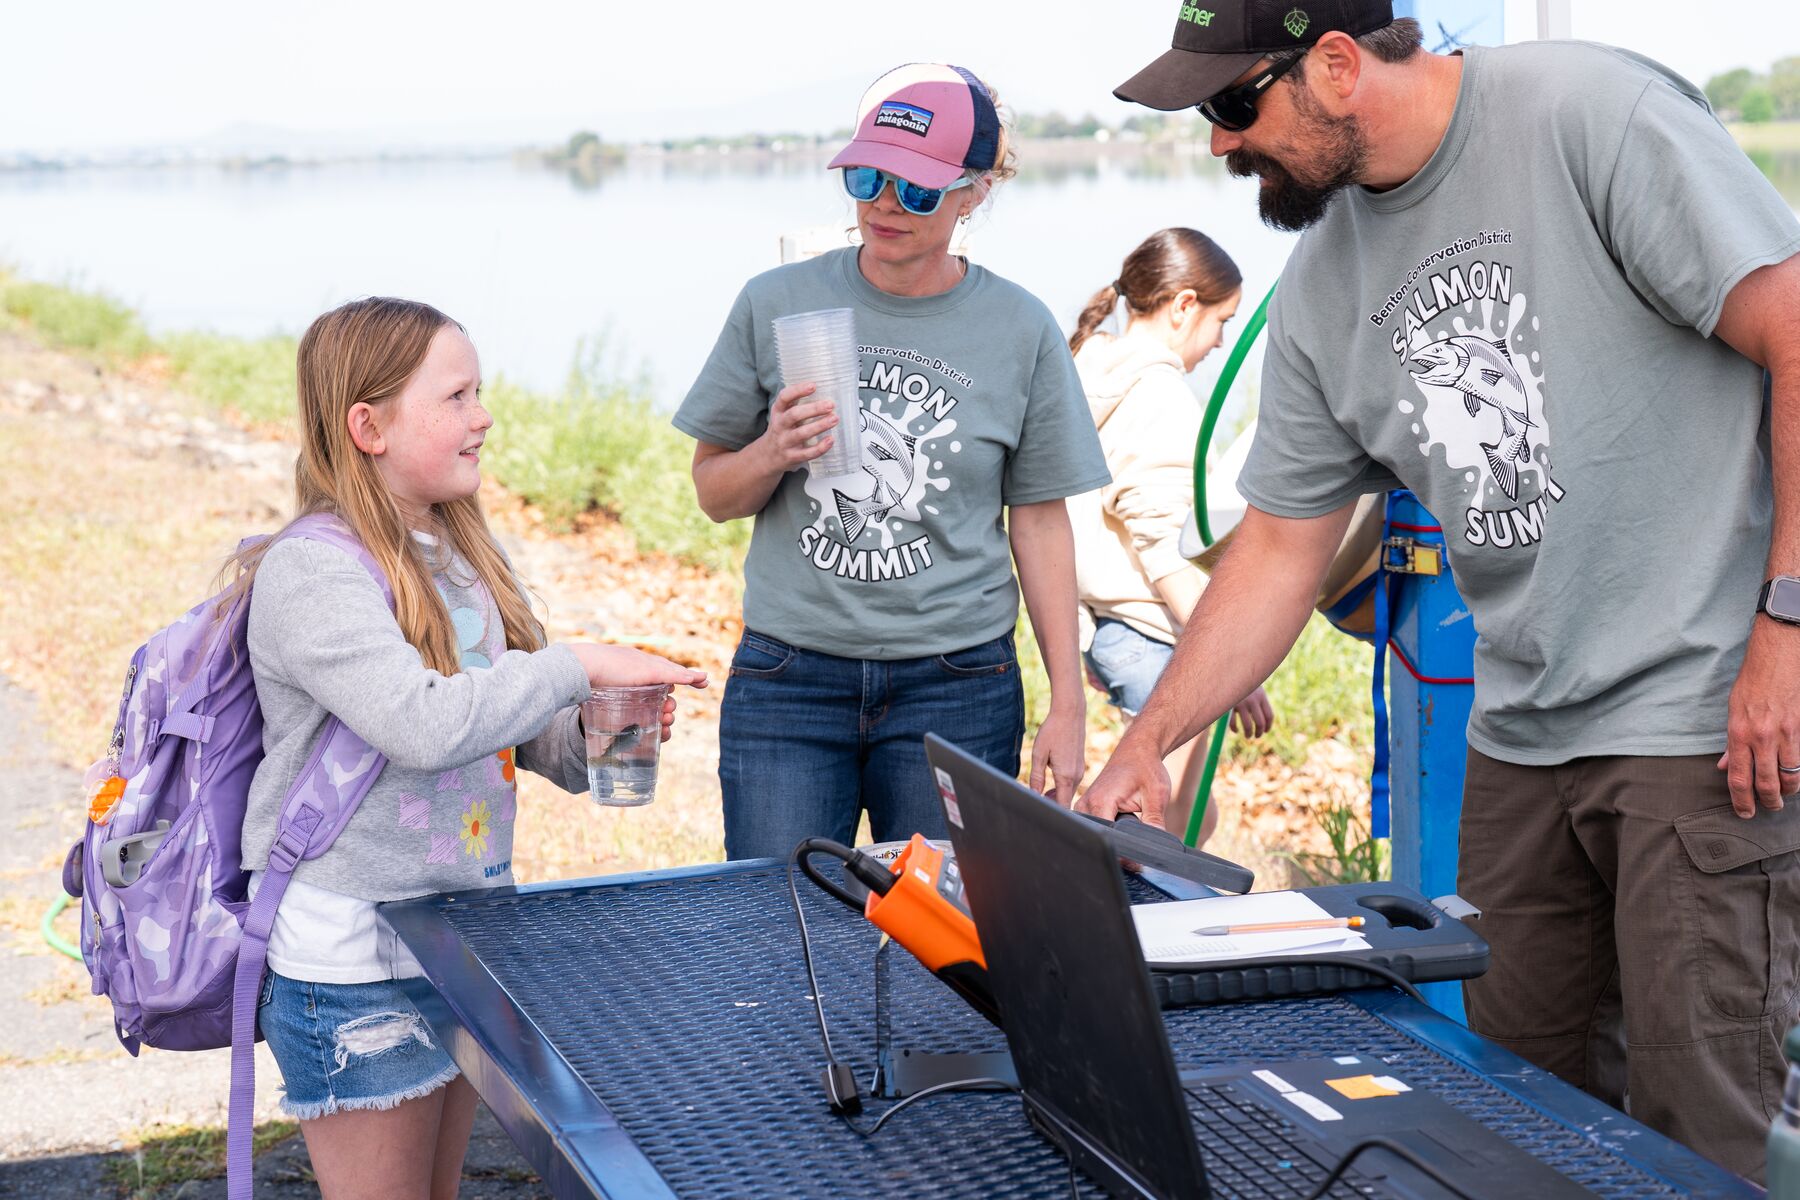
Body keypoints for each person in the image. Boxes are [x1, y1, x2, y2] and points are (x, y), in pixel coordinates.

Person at [1090, 0, 1800, 1181]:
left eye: (1231, 105)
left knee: (1699, 1135)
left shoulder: (1590, 116)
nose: (1219, 145)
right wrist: (1151, 739)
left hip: (1705, 718)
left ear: (1333, 64)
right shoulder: (1324, 281)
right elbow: (1276, 549)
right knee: (1529, 1118)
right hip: (1517, 741)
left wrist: (1788, 623)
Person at [232, 297, 706, 1200]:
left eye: (477, 391)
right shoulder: (313, 570)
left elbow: (513, 734)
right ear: (367, 426)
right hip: (354, 961)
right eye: (454, 397)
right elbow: (422, 723)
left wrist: (597, 732)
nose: (482, 415)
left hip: (462, 938)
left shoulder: (457, 548)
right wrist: (571, 663)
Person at [675, 63, 1109, 860]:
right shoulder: (774, 304)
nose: (882, 205)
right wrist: (773, 449)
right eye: (869, 177)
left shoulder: (1021, 328)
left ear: (975, 191)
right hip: (789, 678)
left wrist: (1068, 705)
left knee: (945, 955)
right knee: (788, 930)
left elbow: (1041, 523)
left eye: (915, 190)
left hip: (958, 683)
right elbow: (714, 494)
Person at [1066, 228, 1275, 844]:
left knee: (1184, 820)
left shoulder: (1088, 367)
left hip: (1111, 630)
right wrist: (1230, 664)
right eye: (1222, 321)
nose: (1219, 343)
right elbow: (1163, 547)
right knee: (1165, 842)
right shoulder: (1157, 396)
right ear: (1183, 306)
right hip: (1158, 636)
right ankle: (1109, 931)